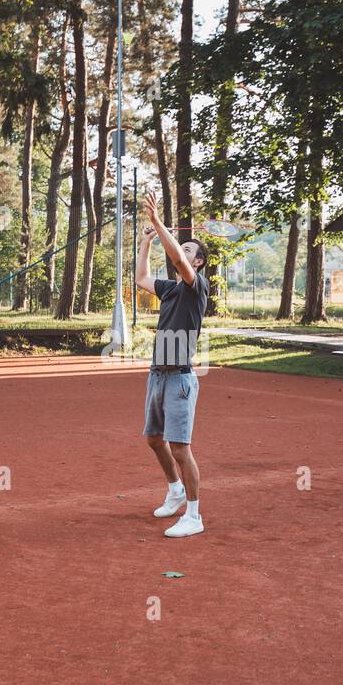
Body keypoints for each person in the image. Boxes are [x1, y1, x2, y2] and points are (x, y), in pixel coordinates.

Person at [134, 191, 209, 538]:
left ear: (197, 263)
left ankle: (194, 515)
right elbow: (141, 279)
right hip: (157, 376)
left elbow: (177, 258)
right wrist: (145, 242)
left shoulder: (196, 288)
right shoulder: (170, 289)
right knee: (153, 439)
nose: (183, 253)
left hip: (180, 379)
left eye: (190, 251)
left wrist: (157, 221)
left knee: (180, 446)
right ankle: (175, 489)